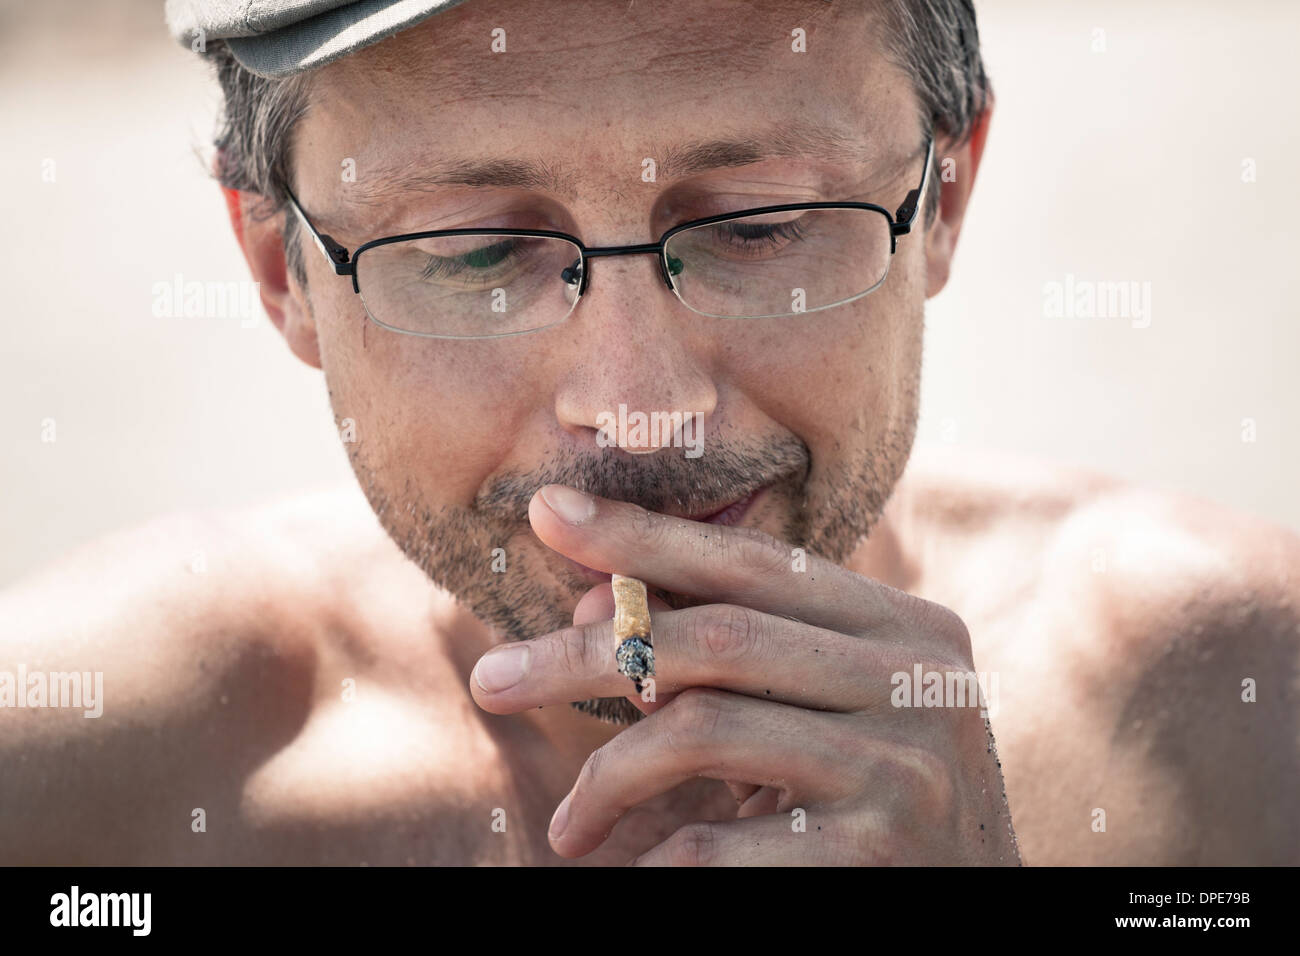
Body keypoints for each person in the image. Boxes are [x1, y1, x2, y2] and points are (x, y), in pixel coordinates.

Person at [1, 0, 1295, 865]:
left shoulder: (1234, 719)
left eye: (758, 226)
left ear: (944, 194)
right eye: (477, 250)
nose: (636, 400)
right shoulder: (84, 776)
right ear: (279, 270)